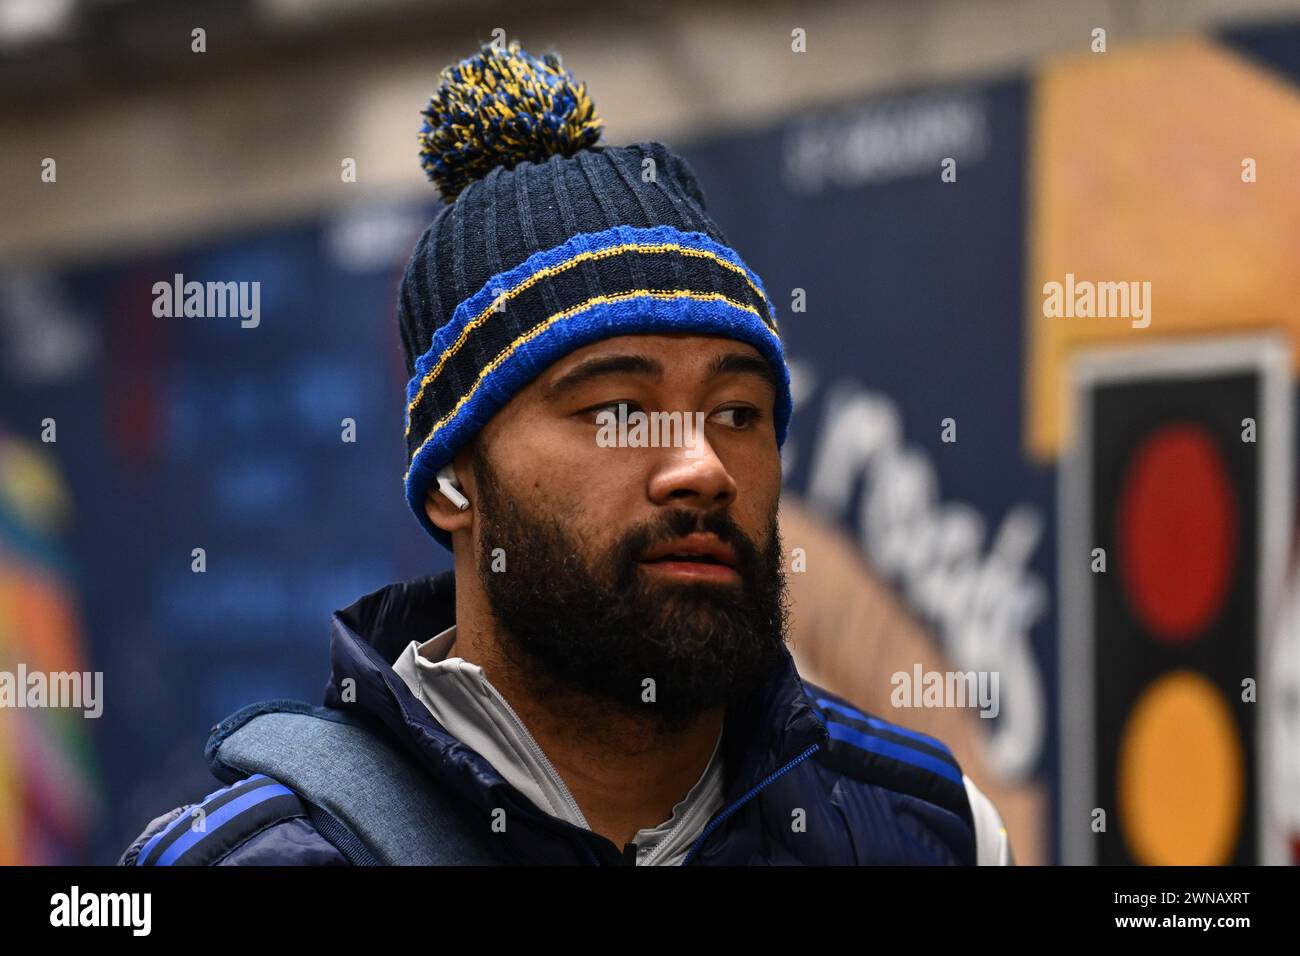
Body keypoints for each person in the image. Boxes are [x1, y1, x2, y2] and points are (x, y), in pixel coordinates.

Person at [119, 40, 1012, 866]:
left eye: (739, 412)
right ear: (452, 480)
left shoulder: (931, 828)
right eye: (619, 409)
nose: (701, 466)